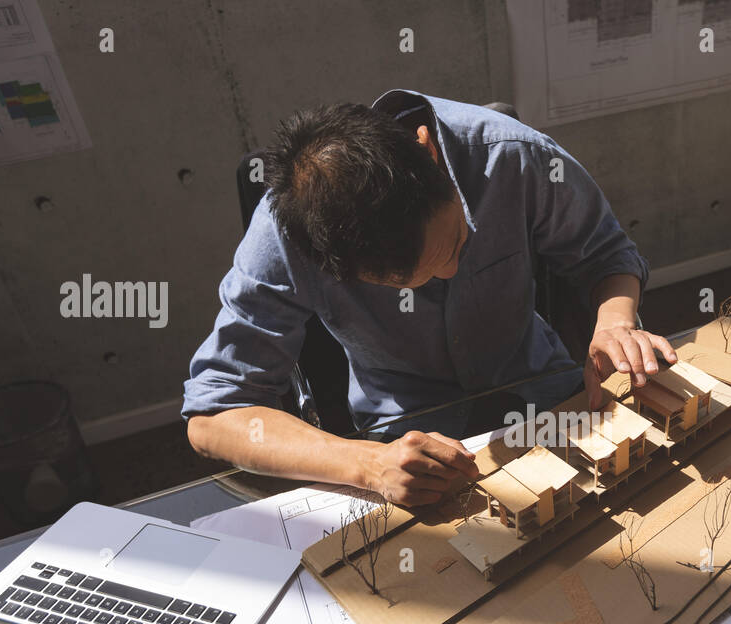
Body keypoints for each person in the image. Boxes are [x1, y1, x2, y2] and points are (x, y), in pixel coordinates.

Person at [183, 90, 675, 506]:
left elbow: (605, 252)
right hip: (404, 437)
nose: (453, 272)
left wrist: (615, 320)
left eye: (459, 241)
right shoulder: (285, 236)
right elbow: (213, 417)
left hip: (540, 389)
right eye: (411, 282)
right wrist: (366, 464)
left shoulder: (514, 156)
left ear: (428, 152)